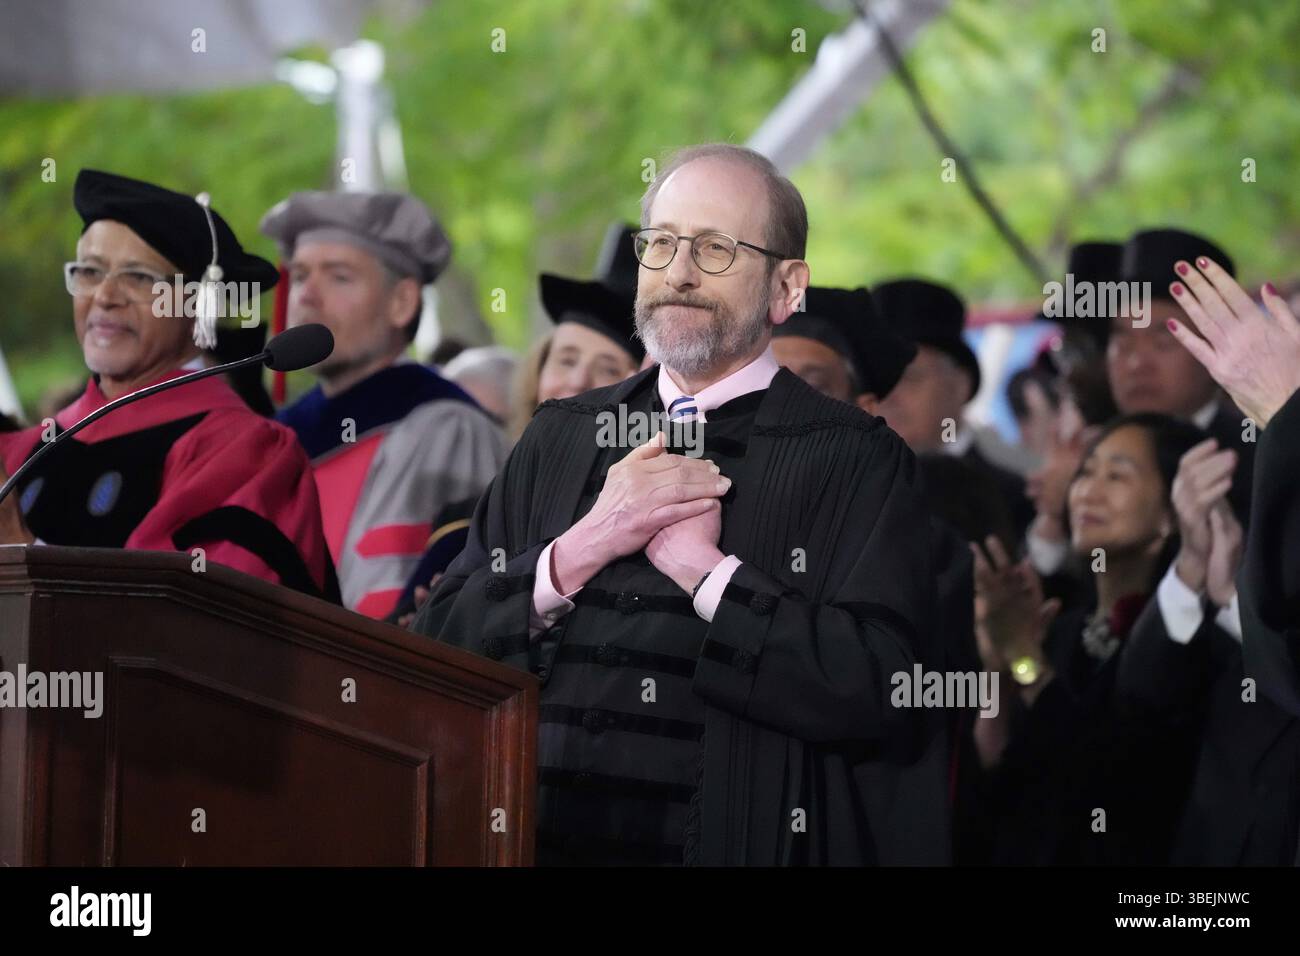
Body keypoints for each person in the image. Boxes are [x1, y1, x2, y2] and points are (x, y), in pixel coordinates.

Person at [412, 143, 941, 866]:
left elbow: (889, 692)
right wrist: (580, 550)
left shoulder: (855, 458)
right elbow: (438, 641)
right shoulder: (561, 434)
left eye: (716, 248)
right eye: (661, 244)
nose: (679, 272)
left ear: (788, 288)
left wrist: (710, 579)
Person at [0, 170, 333, 597]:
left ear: (198, 303)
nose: (104, 296)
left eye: (138, 277)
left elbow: (191, 633)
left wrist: (19, 552)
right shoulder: (20, 451)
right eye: (89, 271)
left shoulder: (244, 454)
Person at [973, 413, 1206, 864]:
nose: (1088, 491)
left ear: (1173, 515)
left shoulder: (1182, 642)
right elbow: (996, 770)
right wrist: (998, 668)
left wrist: (1026, 661)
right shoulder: (1061, 627)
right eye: (1086, 472)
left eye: (1117, 475)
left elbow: (1100, 778)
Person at [262, 190, 506, 619]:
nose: (307, 296)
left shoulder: (449, 428)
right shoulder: (279, 435)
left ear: (402, 302)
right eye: (299, 276)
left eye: (338, 277)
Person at [874, 278, 1034, 536]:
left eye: (910, 379)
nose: (888, 396)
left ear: (959, 385)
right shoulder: (846, 485)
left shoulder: (1019, 495)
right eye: (878, 379)